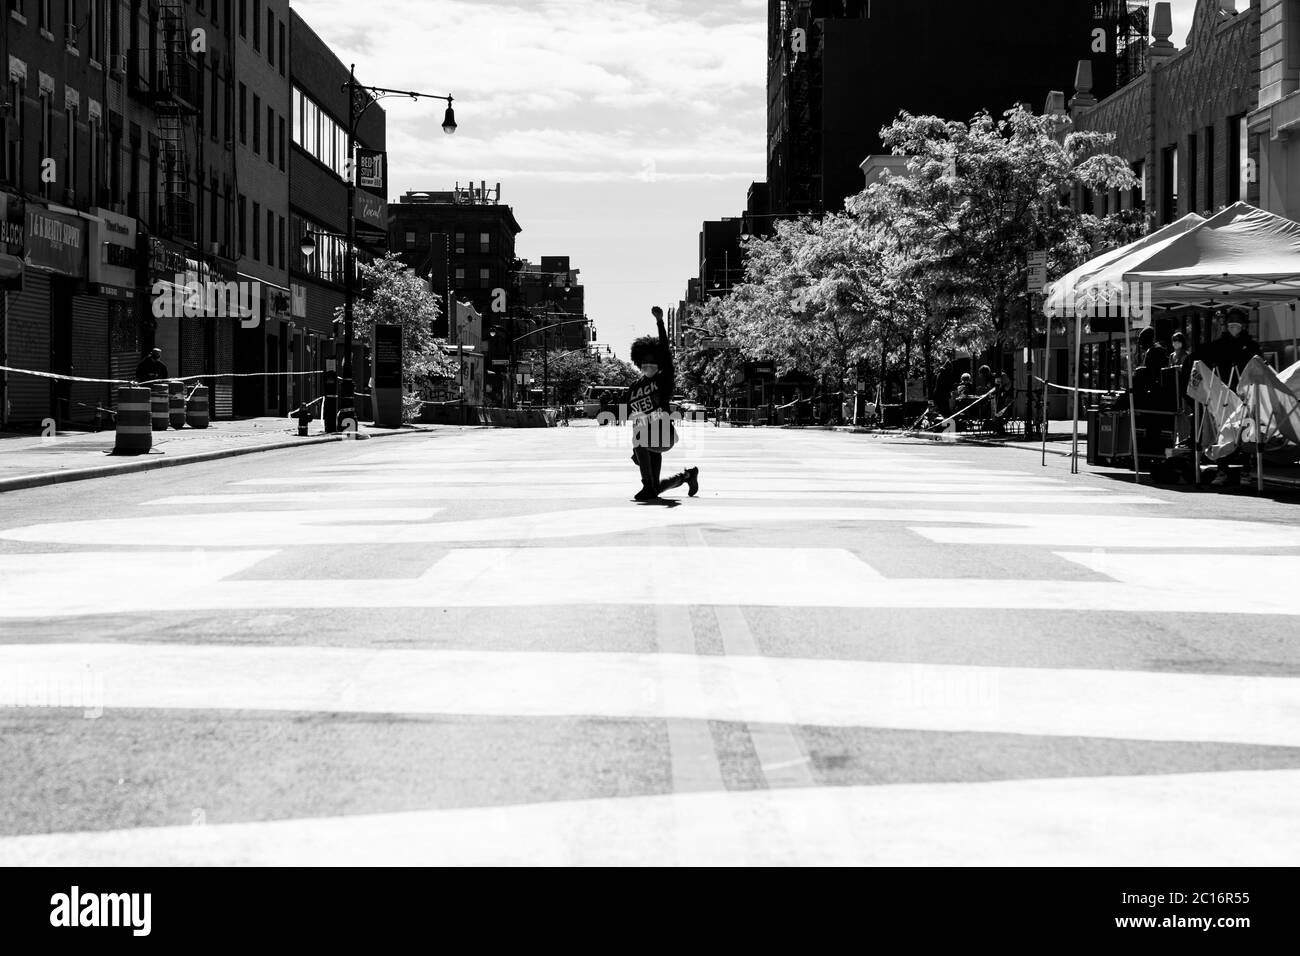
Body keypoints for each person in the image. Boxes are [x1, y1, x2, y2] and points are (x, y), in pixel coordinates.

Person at [628, 307, 699, 502]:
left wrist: (660, 322)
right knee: (656, 488)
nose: (648, 365)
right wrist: (635, 451)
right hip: (645, 437)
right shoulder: (634, 387)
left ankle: (646, 486)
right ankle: (687, 476)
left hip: (663, 434)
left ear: (658, 363)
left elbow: (665, 351)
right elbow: (634, 418)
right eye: (645, 362)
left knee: (640, 443)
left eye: (653, 362)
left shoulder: (663, 379)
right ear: (638, 362)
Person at [1196, 307, 1260, 388]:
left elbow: (1258, 369)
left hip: (1246, 390)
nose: (1234, 323)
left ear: (1244, 324)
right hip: (1223, 390)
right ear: (1226, 324)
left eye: (1238, 320)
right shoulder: (1217, 345)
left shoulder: (1252, 346)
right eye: (1231, 320)